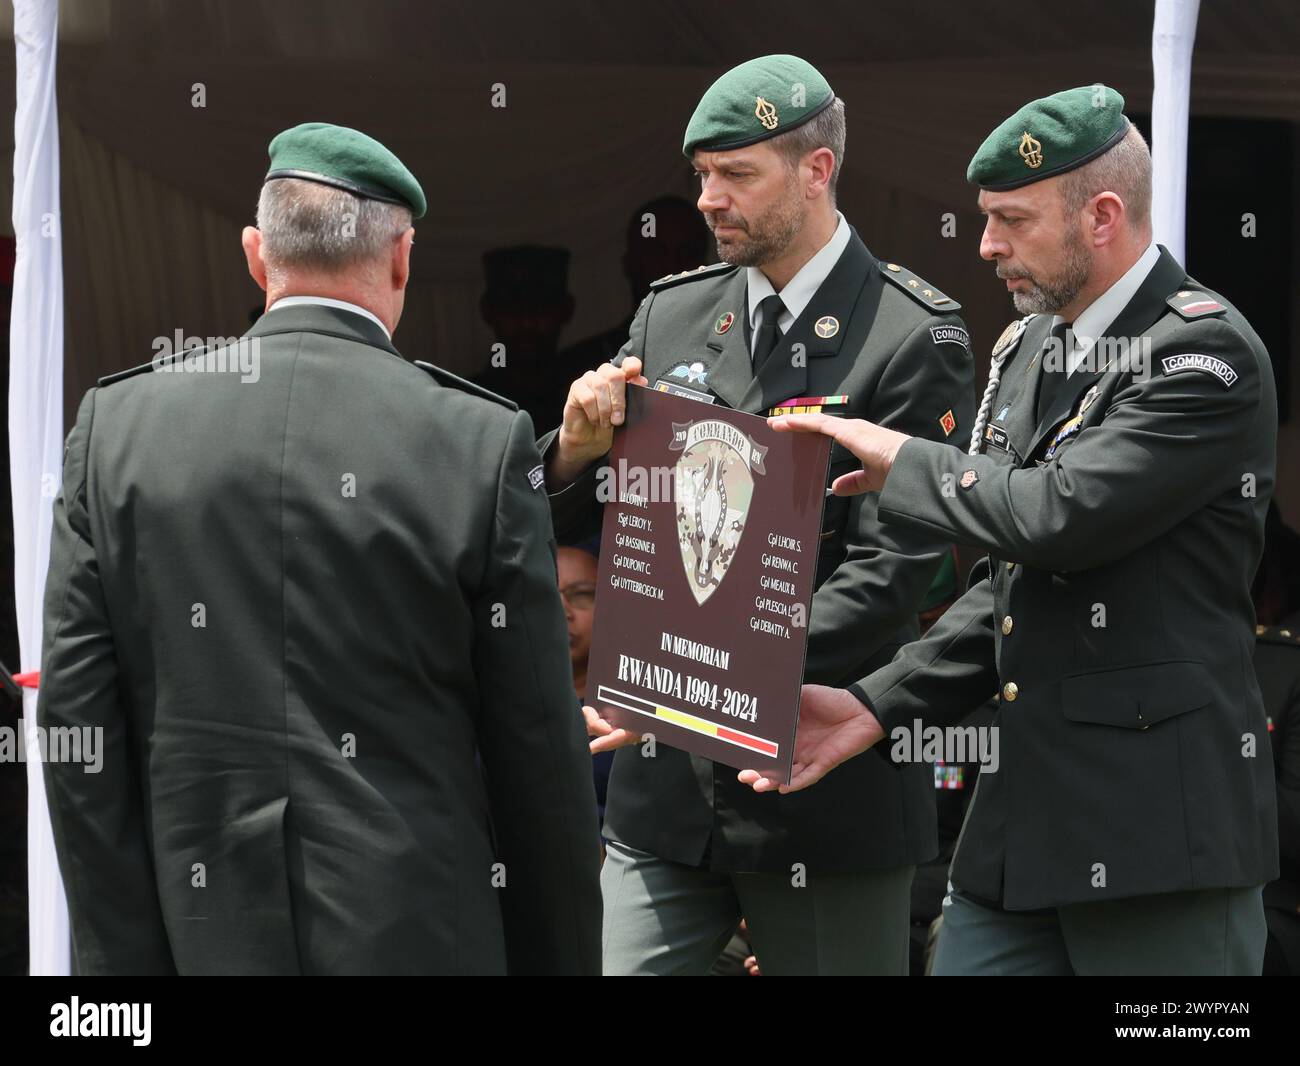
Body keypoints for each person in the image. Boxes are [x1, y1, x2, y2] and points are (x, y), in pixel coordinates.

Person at [36, 122, 601, 975]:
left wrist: (124, 972)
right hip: (421, 934)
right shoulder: (479, 443)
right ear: (403, 258)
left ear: (257, 257)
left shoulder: (115, 431)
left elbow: (76, 727)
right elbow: (536, 752)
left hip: (195, 940)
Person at [742, 86, 1279, 976]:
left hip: (1160, 838)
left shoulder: (1203, 354)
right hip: (1018, 836)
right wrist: (875, 704)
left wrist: (900, 457)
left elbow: (1059, 518)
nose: (986, 245)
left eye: (1012, 221)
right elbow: (1007, 587)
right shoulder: (1031, 347)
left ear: (1102, 216)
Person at [542, 55, 975, 975]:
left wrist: (696, 679)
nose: (706, 198)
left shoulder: (911, 333)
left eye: (737, 173)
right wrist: (572, 448)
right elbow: (580, 501)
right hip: (663, 794)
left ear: (817, 171)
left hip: (821, 788)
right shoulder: (671, 314)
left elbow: (895, 574)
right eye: (701, 173)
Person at [559, 195, 711, 372]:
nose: (671, 265)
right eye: (656, 252)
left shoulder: (728, 354)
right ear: (628, 262)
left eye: (687, 252)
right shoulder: (581, 364)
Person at [474, 245, 576, 429]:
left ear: (567, 309)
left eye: (543, 306)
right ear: (487, 311)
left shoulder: (587, 398)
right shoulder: (467, 400)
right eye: (510, 308)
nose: (527, 321)